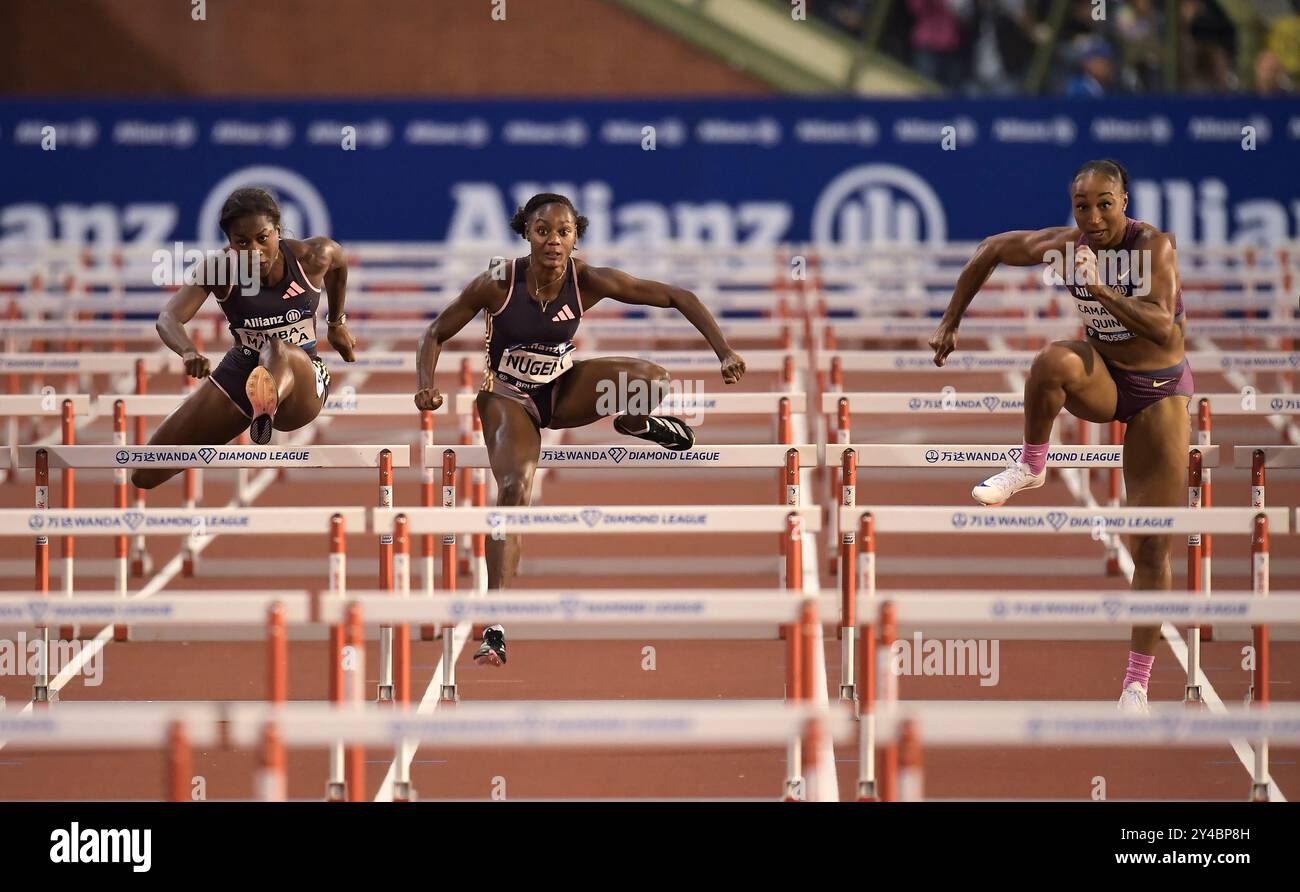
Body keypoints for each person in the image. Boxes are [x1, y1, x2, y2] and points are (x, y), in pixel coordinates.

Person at [413, 193, 747, 666]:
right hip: (508, 397)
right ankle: (496, 624)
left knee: (653, 380)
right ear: (526, 233)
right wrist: (425, 386)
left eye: (564, 231)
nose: (553, 240)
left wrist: (724, 352)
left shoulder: (588, 279)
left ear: (576, 236)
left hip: (563, 389)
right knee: (513, 491)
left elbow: (679, 297)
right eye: (542, 230)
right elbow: (434, 334)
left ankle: (635, 421)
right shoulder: (496, 283)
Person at [928, 160, 1191, 714]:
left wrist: (1097, 286)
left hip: (1161, 392)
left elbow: (1164, 326)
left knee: (1152, 545)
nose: (1093, 218)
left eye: (1104, 204)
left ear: (1125, 202)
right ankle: (1030, 463)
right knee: (1050, 360)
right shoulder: (1066, 246)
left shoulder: (1153, 248)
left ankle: (1135, 684)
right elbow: (993, 249)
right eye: (1081, 206)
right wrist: (951, 320)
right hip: (1105, 381)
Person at [132, 187, 356, 490]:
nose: (254, 251)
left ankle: (265, 403)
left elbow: (339, 264)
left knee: (277, 347)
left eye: (263, 239)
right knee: (146, 472)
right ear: (230, 243)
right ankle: (259, 402)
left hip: (303, 379)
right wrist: (187, 351)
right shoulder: (220, 268)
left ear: (277, 231)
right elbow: (168, 318)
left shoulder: (312, 256)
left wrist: (336, 322)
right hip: (243, 370)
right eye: (242, 242)